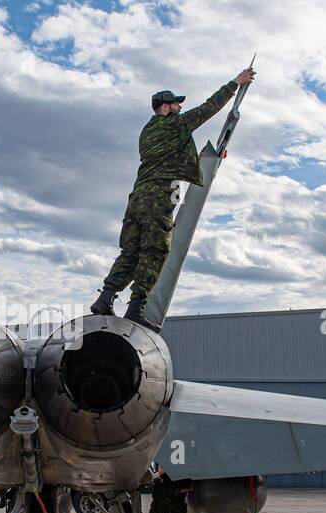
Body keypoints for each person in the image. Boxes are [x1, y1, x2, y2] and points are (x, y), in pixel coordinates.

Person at [92, 66, 257, 331]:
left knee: (131, 251)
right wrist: (236, 83)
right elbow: (208, 108)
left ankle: (106, 297)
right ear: (166, 108)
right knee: (155, 250)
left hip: (137, 197)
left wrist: (198, 160)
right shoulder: (175, 126)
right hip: (158, 196)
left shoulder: (147, 132)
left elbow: (172, 154)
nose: (180, 108)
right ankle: (136, 307)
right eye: (176, 104)